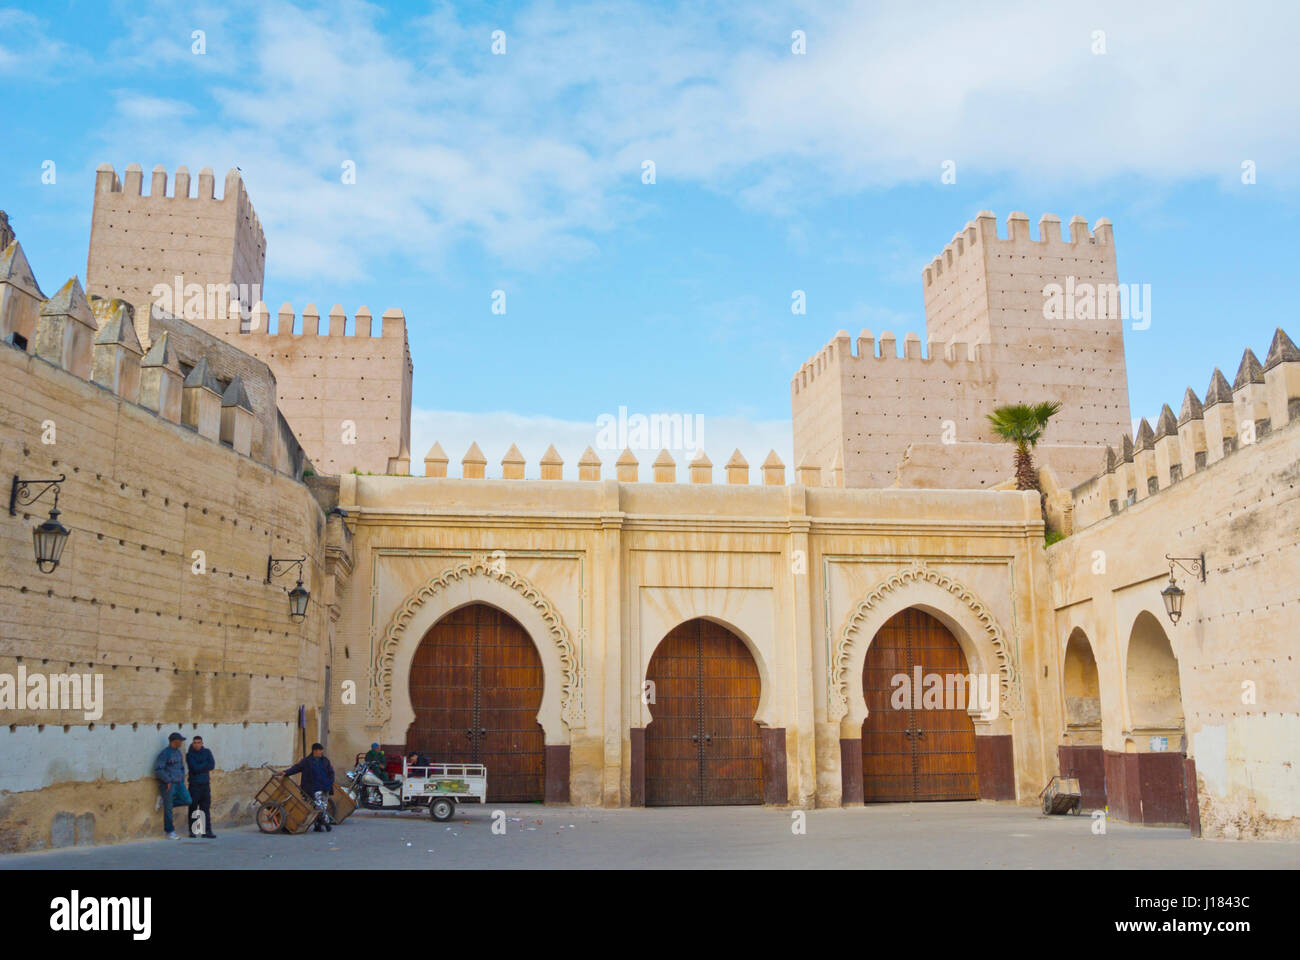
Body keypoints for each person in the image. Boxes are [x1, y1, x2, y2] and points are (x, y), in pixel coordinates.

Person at [284, 743, 335, 832]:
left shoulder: (325, 761)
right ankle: (326, 823)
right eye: (320, 751)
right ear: (315, 751)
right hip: (313, 788)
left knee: (323, 806)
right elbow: (297, 768)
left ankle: (318, 825)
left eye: (321, 751)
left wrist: (330, 782)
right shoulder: (307, 761)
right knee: (318, 806)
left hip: (325, 787)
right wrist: (285, 772)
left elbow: (331, 772)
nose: (321, 752)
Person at [153, 732, 187, 839]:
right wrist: (167, 781)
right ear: (174, 741)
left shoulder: (178, 753)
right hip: (169, 784)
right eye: (180, 740)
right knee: (168, 810)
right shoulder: (165, 754)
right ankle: (169, 831)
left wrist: (182, 779)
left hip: (179, 783)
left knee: (187, 800)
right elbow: (158, 770)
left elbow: (182, 767)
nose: (181, 742)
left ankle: (164, 802)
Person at [185, 735, 217, 838]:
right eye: (195, 742)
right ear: (192, 743)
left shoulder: (207, 752)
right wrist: (204, 764)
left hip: (205, 785)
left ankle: (206, 831)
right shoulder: (189, 755)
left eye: (199, 742)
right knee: (193, 808)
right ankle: (193, 830)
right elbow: (194, 768)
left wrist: (200, 766)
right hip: (194, 785)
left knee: (205, 809)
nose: (197, 744)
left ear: (202, 743)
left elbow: (212, 765)